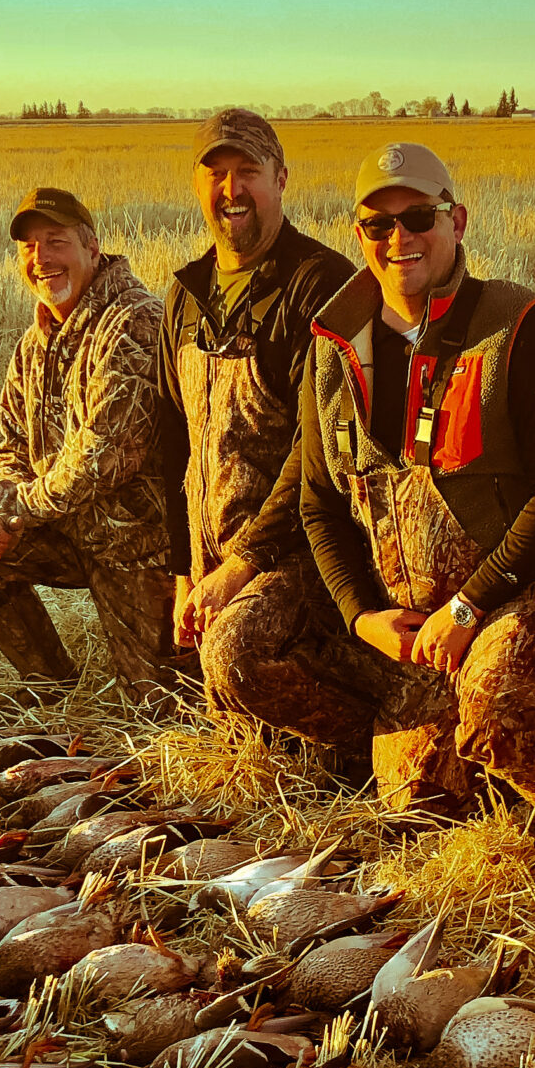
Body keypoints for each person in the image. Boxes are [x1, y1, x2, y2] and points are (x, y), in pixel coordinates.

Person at [294, 142, 535, 834]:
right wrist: (360, 617)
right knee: (418, 817)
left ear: (458, 221)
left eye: (419, 217)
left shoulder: (515, 325)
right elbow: (318, 502)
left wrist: (470, 607)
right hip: (404, 630)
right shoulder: (330, 345)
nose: (399, 238)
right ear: (359, 235)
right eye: (379, 225)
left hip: (506, 601)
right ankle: (419, 751)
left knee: (498, 707)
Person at [157, 109, 377, 763]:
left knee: (236, 662)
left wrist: (239, 567)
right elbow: (177, 446)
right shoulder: (185, 295)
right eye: (216, 174)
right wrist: (182, 574)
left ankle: (380, 736)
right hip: (214, 555)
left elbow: (321, 453)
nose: (232, 190)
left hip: (301, 548)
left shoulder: (320, 285)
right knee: (236, 736)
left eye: (247, 172)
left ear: (281, 180)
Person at [0, 186, 175, 684]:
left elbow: (103, 457)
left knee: (154, 711)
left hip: (138, 548)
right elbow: (12, 445)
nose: (41, 258)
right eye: (28, 247)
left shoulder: (136, 322)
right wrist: (0, 514)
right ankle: (52, 687)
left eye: (55, 241)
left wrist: (21, 510)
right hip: (66, 533)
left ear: (91, 247)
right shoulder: (34, 343)